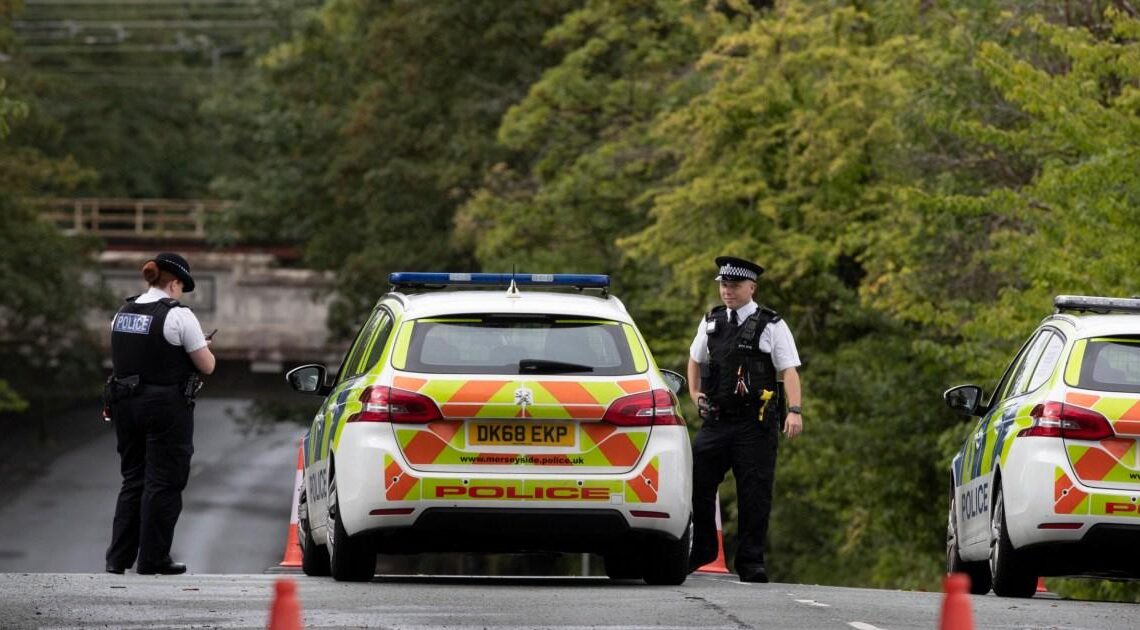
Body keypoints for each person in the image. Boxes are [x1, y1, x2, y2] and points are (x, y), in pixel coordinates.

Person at [686, 256, 802, 583]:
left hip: (756, 422)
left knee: (754, 491)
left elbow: (789, 369)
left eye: (734, 285)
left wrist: (795, 410)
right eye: (724, 285)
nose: (727, 291)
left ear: (752, 287)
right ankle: (704, 548)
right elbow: (695, 359)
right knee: (697, 480)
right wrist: (695, 395)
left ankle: (751, 561)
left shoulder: (771, 324)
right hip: (718, 421)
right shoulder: (711, 321)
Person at [104, 252, 215, 575]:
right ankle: (153, 558)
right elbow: (206, 365)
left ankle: (117, 559)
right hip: (165, 407)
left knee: (133, 479)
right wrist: (203, 347)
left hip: (125, 404)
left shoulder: (121, 313)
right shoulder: (179, 316)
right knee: (164, 482)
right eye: (182, 287)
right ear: (175, 282)